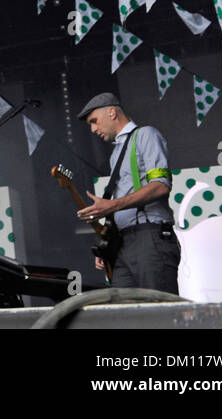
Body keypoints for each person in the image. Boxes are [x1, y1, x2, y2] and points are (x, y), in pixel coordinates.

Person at [76, 92, 179, 293]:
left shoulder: (146, 134)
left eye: (94, 121)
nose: (93, 129)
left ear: (112, 112)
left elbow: (161, 185)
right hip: (124, 243)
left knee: (159, 313)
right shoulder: (116, 152)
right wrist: (107, 244)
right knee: (123, 313)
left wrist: (111, 205)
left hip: (149, 237)